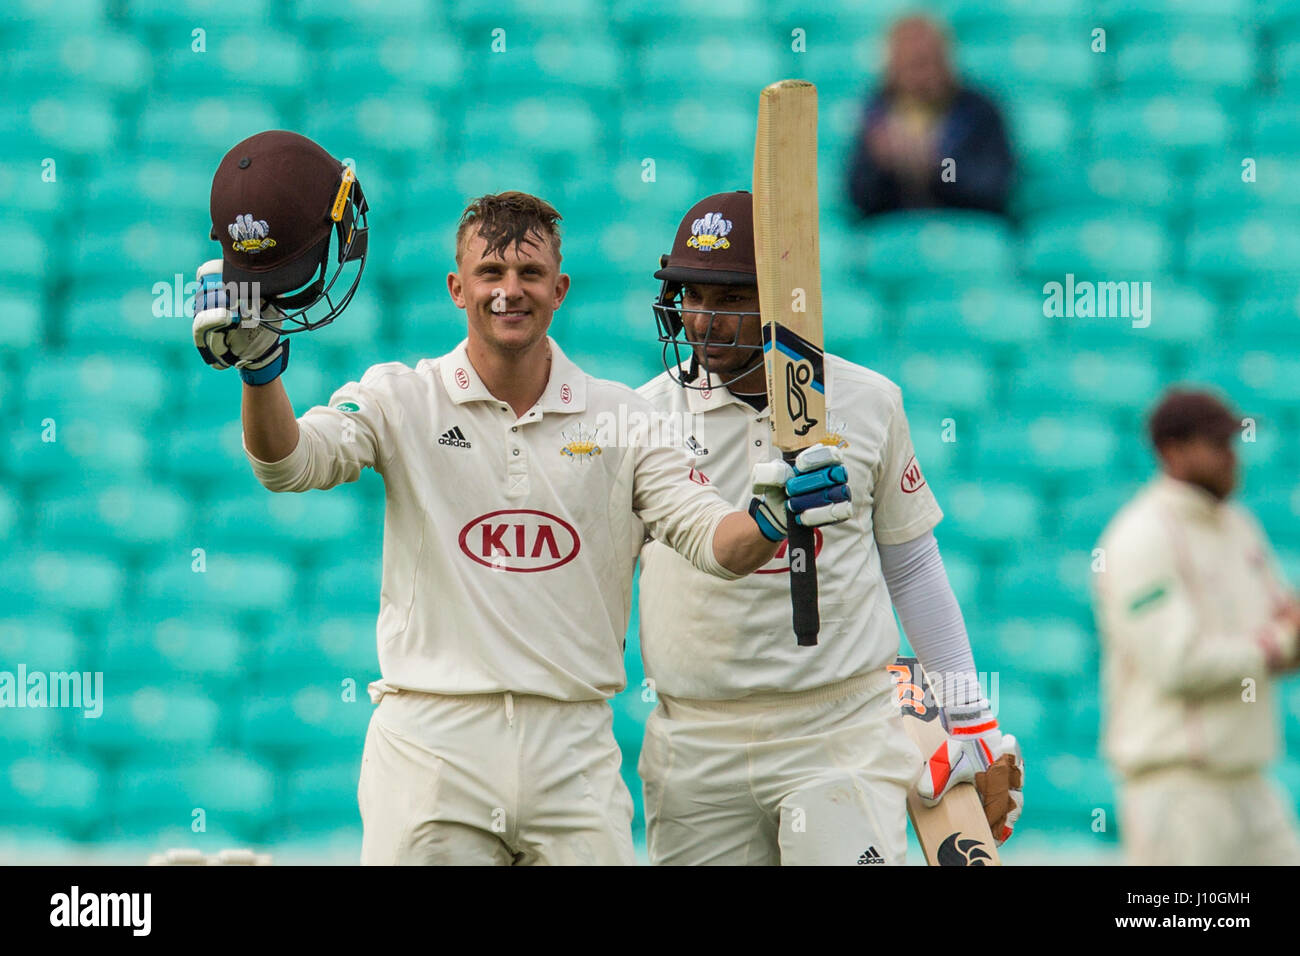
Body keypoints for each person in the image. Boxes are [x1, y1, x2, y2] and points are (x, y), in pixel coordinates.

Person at [190, 132, 855, 865]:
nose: (510, 288)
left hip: (572, 746)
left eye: (531, 271)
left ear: (560, 289)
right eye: (491, 270)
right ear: (457, 287)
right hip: (433, 744)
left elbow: (718, 545)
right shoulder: (399, 397)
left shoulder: (621, 418)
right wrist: (259, 374)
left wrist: (771, 515)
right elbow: (288, 464)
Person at [636, 190, 1024, 865]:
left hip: (836, 730)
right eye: (692, 295)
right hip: (694, 739)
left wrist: (971, 717)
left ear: (784, 299)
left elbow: (912, 566)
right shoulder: (642, 418)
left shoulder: (868, 403)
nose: (704, 321)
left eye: (730, 299)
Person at [1094, 388, 1300, 865]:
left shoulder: (1239, 525)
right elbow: (1179, 664)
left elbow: (1284, 623)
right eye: (1218, 445)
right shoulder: (1140, 536)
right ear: (1173, 450)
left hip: (1250, 778)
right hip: (1177, 786)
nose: (1233, 457)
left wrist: (1284, 640)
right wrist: (1279, 643)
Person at [845, 15, 1014, 218]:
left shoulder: (979, 110)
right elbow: (858, 197)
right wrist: (882, 165)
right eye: (910, 65)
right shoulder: (876, 113)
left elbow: (992, 188)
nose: (920, 76)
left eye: (927, 62)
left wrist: (939, 167)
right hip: (896, 231)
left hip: (964, 229)